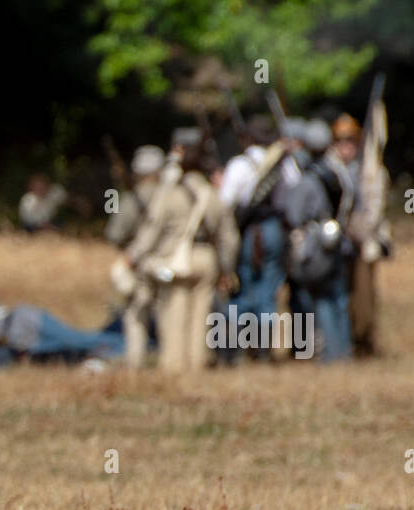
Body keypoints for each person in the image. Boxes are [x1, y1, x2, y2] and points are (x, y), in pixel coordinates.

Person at [123, 128, 238, 373]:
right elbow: (228, 236)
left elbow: (152, 230)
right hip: (207, 259)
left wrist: (134, 255)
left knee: (174, 313)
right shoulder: (212, 194)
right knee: (200, 317)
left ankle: (174, 367)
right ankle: (195, 365)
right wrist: (227, 268)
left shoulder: (170, 193)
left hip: (175, 259)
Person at [282, 119, 352, 361]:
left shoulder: (309, 179)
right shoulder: (339, 171)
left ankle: (331, 355)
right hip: (338, 239)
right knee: (339, 298)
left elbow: (293, 214)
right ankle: (344, 349)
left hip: (317, 245)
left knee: (322, 298)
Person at [221, 118, 287, 362]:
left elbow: (225, 201)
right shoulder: (283, 164)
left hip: (250, 231)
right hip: (275, 231)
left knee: (245, 289)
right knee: (267, 292)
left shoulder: (239, 165)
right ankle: (262, 351)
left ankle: (238, 349)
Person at [330, 112, 390, 357]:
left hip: (364, 244)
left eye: (349, 141)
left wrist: (355, 232)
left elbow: (373, 213)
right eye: (340, 142)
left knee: (363, 298)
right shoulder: (333, 169)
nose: (345, 147)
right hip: (338, 244)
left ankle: (364, 342)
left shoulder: (372, 171)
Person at [106, 145, 164, 368]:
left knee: (136, 317)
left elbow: (114, 233)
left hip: (138, 264)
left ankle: (135, 363)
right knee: (167, 314)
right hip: (170, 262)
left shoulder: (130, 198)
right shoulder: (172, 195)